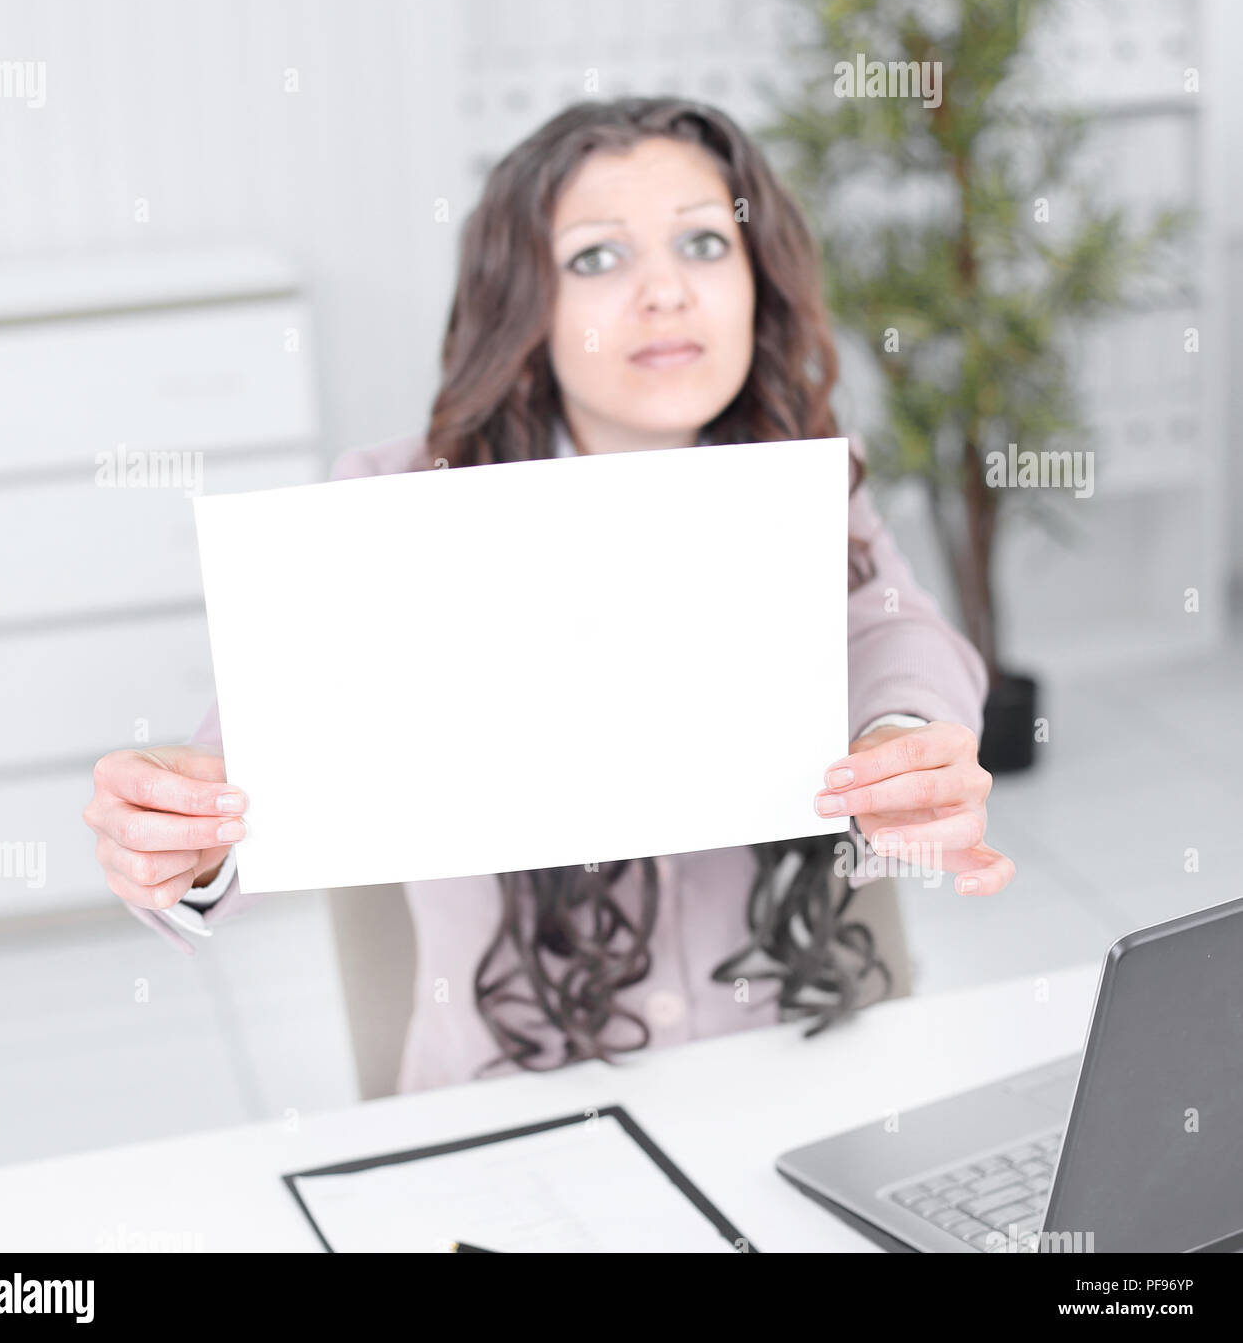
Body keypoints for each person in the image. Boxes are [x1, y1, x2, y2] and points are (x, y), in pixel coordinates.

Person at [82, 97, 1006, 1095]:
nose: (663, 293)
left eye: (702, 243)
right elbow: (248, 767)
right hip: (507, 1112)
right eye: (597, 258)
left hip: (778, 1076)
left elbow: (896, 636)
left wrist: (900, 742)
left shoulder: (810, 488)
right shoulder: (395, 506)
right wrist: (180, 837)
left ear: (756, 286)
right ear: (526, 308)